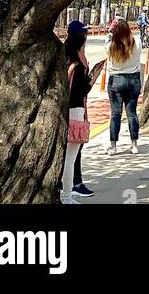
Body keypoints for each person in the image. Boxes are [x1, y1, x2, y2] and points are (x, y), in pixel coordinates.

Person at [62, 20, 104, 204]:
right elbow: (81, 91)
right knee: (70, 158)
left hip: (65, 111)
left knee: (67, 157)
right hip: (76, 112)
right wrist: (94, 75)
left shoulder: (64, 59)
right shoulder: (77, 67)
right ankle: (67, 195)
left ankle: (65, 193)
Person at [105, 18, 141, 155]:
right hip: (133, 80)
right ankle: (134, 145)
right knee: (132, 113)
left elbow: (108, 38)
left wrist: (110, 30)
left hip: (116, 80)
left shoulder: (110, 46)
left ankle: (113, 146)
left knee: (115, 114)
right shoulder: (137, 43)